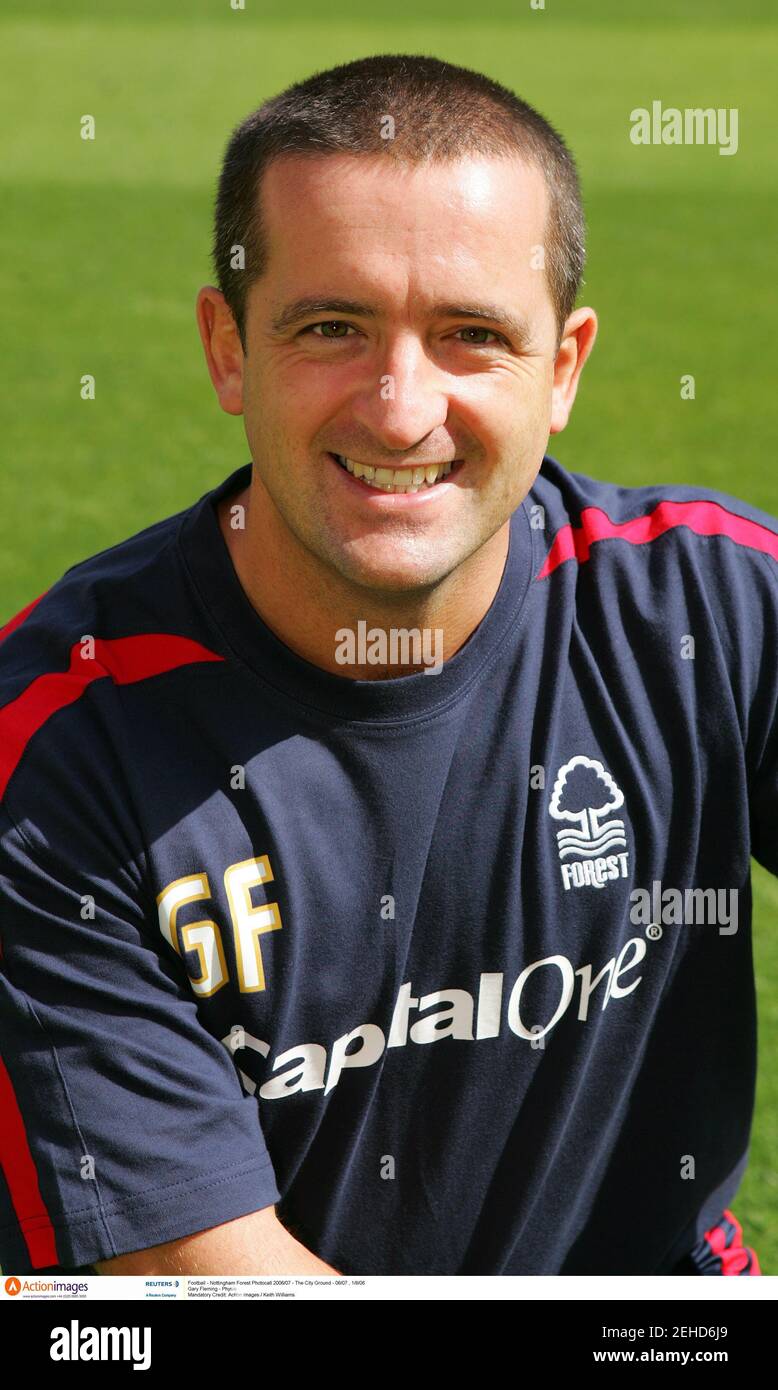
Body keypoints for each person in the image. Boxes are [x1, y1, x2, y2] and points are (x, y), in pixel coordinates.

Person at [0, 54, 772, 1278]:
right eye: (331, 328)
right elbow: (201, 1275)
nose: (402, 408)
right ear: (228, 349)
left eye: (472, 335)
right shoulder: (54, 751)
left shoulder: (712, 605)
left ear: (562, 367)